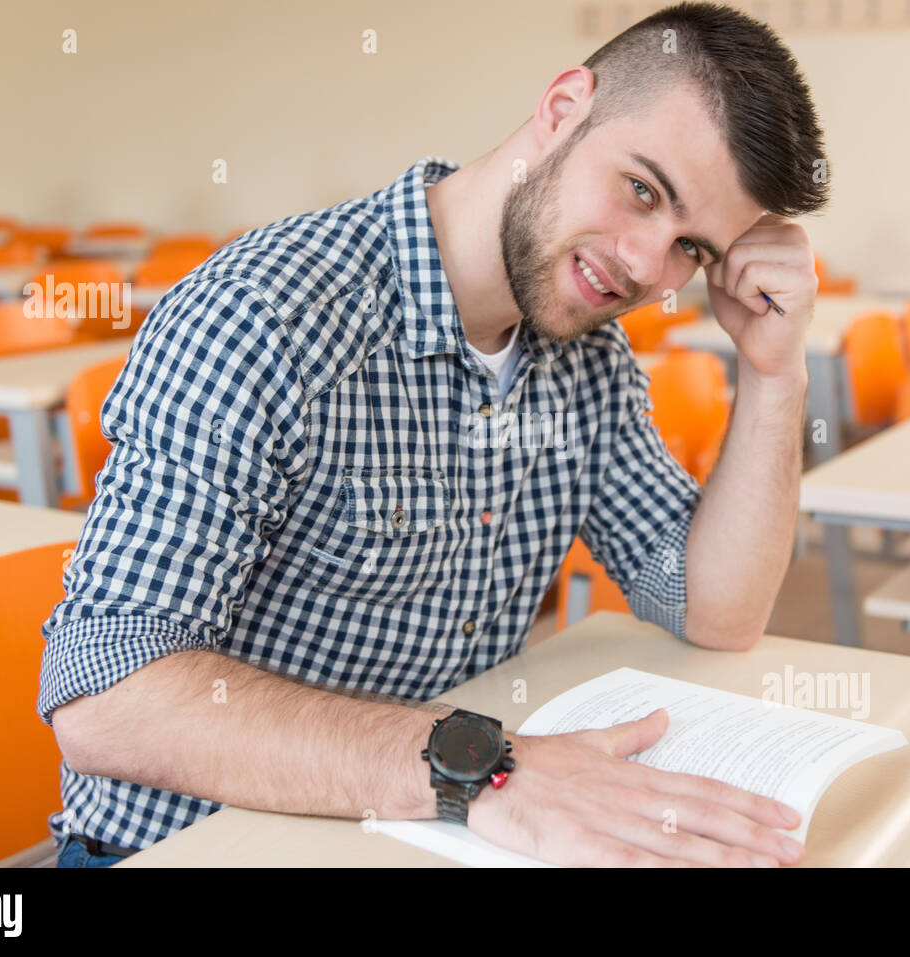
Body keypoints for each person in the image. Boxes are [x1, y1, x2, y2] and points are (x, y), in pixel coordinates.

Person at [43, 1, 829, 868]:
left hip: (417, 830)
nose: (648, 266)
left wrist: (773, 371)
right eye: (641, 190)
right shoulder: (263, 315)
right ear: (563, 109)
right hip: (190, 846)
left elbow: (714, 609)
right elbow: (102, 693)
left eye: (691, 247)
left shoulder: (587, 361)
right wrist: (483, 769)